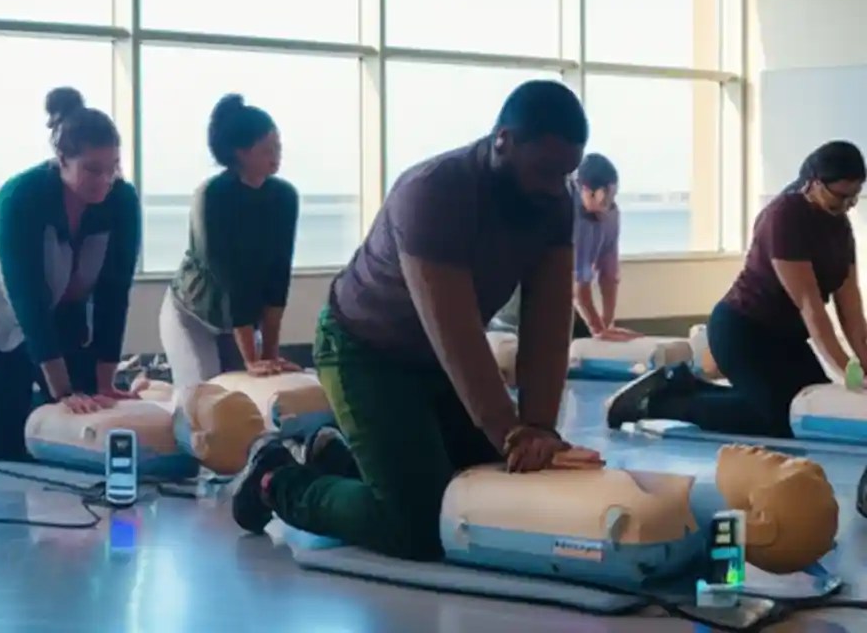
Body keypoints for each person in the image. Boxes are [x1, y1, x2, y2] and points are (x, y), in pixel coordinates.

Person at [229, 80, 604, 561]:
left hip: (434, 366)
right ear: (503, 142)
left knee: (495, 485)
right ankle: (276, 478)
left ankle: (340, 462)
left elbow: (548, 329)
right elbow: (457, 335)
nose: (555, 188)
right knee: (420, 525)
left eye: (566, 174)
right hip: (364, 353)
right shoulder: (434, 192)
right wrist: (513, 435)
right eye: (545, 170)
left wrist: (540, 431)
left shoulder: (554, 202)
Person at [0, 87, 142, 462]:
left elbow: (115, 293)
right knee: (6, 443)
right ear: (62, 160)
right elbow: (28, 301)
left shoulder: (122, 201)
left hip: (65, 317)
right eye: (92, 170)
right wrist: (62, 392)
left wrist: (105, 383)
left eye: (112, 167)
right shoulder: (20, 198)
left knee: (82, 427)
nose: (104, 180)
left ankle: (8, 401)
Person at [607, 141, 866, 438]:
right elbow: (812, 309)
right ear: (815, 183)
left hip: (787, 340)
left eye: (855, 198)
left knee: (809, 408)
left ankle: (686, 384)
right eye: (841, 196)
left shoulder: (840, 228)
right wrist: (849, 373)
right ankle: (658, 403)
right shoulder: (785, 216)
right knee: (777, 419)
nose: (847, 206)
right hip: (743, 331)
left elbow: (852, 312)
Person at [159, 94, 301, 392]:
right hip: (194, 315)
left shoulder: (284, 197)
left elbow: (279, 276)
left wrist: (270, 354)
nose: (277, 156)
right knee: (206, 399)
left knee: (249, 396)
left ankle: (153, 385)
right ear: (241, 153)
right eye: (267, 149)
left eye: (278, 147)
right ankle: (151, 388)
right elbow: (230, 280)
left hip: (237, 318)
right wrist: (251, 358)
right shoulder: (212, 197)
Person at [491, 152, 638, 341]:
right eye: (604, 199)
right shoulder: (566, 209)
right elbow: (578, 285)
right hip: (519, 300)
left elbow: (609, 274)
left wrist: (607, 322)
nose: (608, 206)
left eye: (612, 197)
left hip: (560, 298)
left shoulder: (612, 215)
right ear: (585, 190)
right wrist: (599, 329)